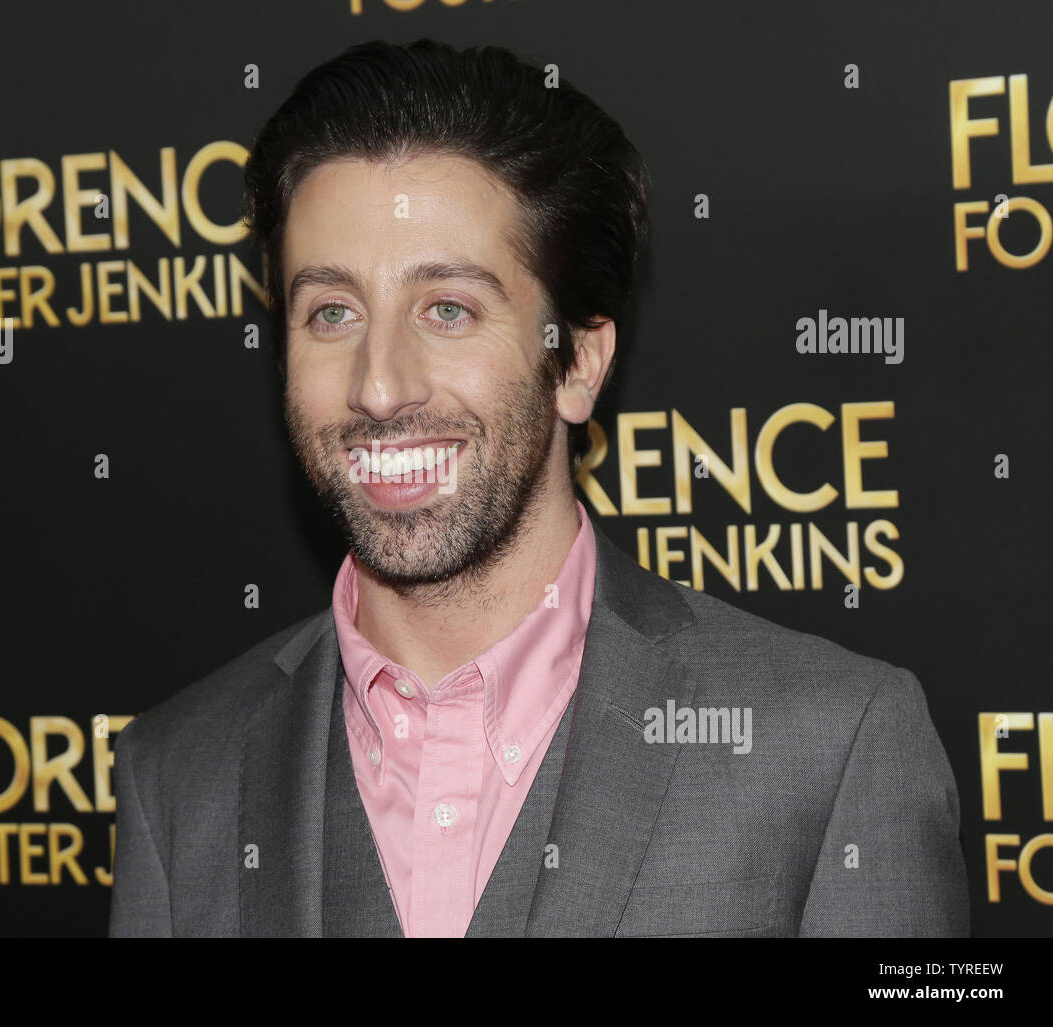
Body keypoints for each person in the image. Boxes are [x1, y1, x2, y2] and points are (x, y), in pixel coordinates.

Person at [108, 38, 968, 937]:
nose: (379, 385)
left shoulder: (832, 746)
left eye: (448, 309)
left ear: (578, 362)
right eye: (332, 312)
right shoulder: (178, 775)